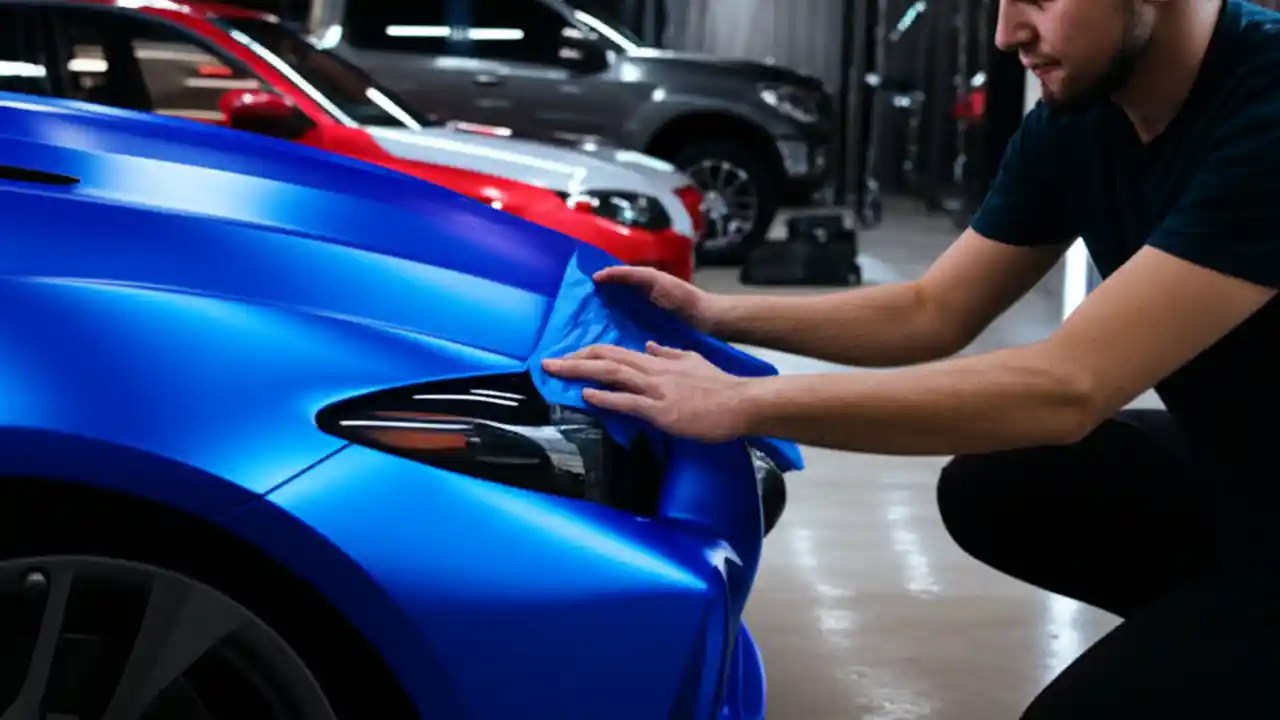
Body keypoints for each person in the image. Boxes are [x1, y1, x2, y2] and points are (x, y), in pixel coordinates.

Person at [542, 0, 1280, 716]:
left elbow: (1067, 387)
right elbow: (933, 310)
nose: (1005, 32)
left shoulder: (1266, 104)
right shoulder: (1083, 116)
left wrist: (741, 402)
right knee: (999, 488)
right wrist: (714, 314)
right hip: (1241, 470)